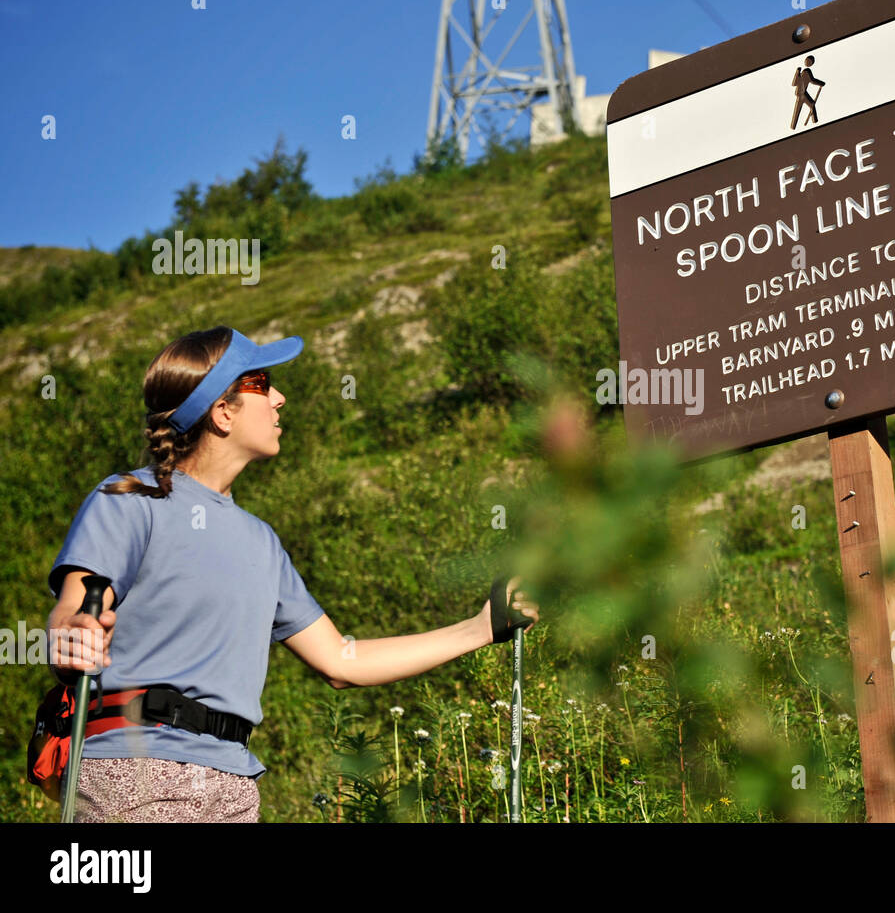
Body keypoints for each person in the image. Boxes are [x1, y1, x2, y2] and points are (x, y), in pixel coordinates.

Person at [46, 325, 538, 822]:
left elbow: (342, 662)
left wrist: (481, 628)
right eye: (261, 384)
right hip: (139, 773)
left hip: (235, 784)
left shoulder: (262, 542)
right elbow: (73, 612)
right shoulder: (131, 498)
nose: (280, 398)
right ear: (222, 413)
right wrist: (73, 634)